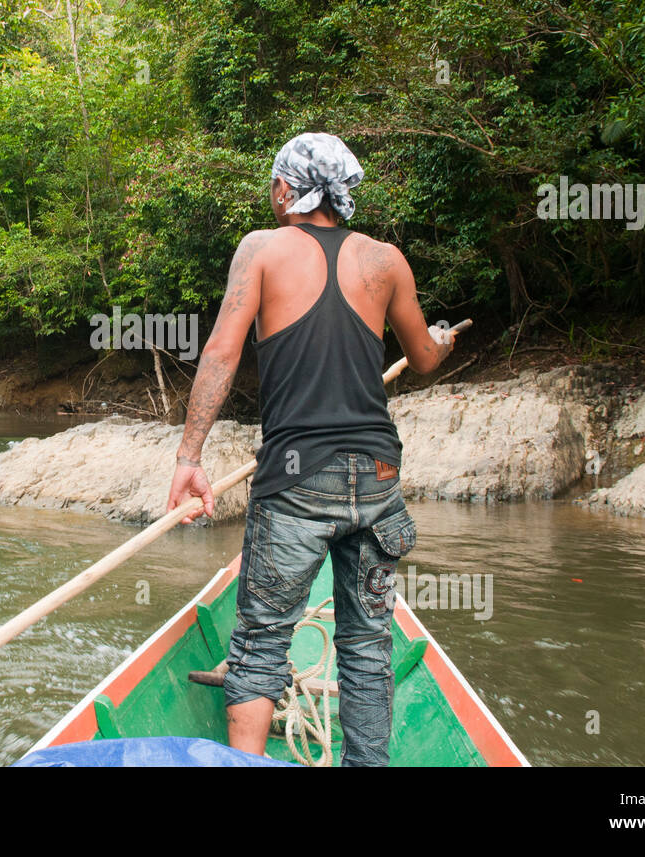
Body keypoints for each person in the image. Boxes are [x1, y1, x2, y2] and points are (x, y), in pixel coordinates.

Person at [165, 132, 455, 766]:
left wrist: (190, 459)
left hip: (297, 480)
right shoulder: (386, 261)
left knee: (262, 643)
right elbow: (425, 358)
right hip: (377, 478)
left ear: (284, 189)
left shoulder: (262, 250)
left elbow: (220, 352)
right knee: (368, 646)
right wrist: (439, 339)